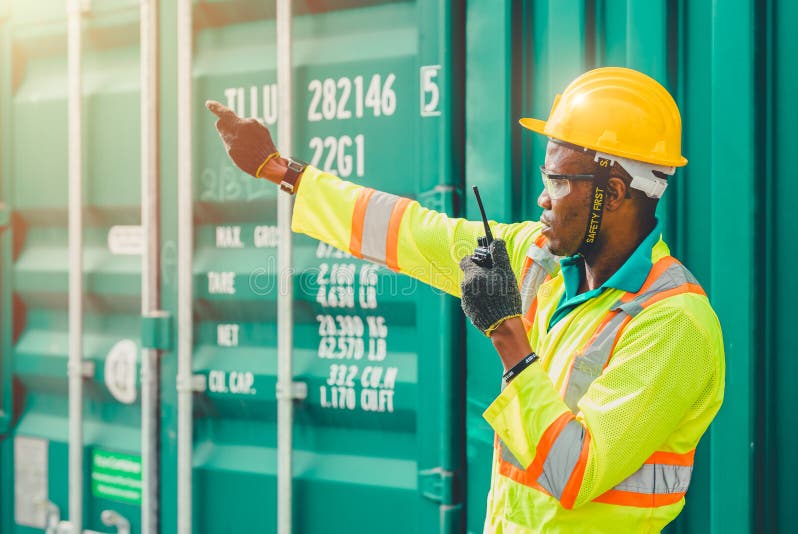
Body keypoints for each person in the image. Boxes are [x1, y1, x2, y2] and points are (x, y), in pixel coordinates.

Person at [207, 66, 724, 533]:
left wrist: (508, 337)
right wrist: (282, 170)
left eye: (560, 181)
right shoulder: (539, 258)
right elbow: (414, 233)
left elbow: (573, 472)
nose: (542, 196)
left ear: (612, 194)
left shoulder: (673, 324)